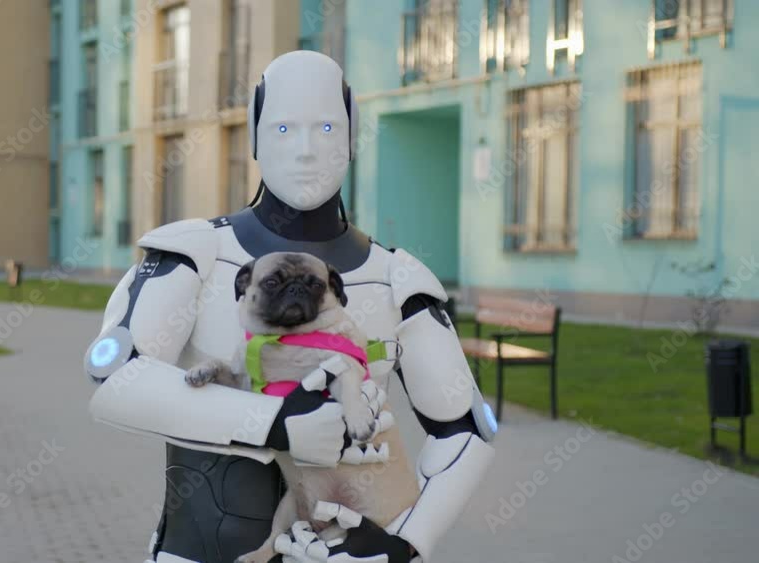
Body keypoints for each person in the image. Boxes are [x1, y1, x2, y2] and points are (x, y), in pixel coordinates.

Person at [86, 50, 496, 563]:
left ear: (351, 136)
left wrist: (407, 543)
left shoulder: (397, 277)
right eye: (284, 129)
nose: (306, 150)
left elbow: (467, 429)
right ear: (256, 135)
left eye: (326, 128)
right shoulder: (198, 253)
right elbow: (116, 376)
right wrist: (272, 422)